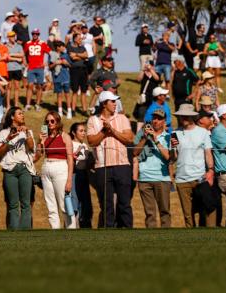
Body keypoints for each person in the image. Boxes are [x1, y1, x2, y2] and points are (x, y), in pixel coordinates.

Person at [86, 91, 134, 228]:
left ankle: (127, 230)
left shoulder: (123, 118)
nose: (115, 104)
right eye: (112, 101)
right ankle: (108, 233)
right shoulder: (92, 120)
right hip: (102, 167)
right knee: (106, 204)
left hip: (122, 165)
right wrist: (103, 132)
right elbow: (91, 141)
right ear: (103, 104)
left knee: (125, 203)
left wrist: (112, 130)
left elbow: (129, 139)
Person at [171, 104, 216, 228]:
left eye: (185, 116)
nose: (182, 118)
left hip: (200, 178)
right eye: (180, 116)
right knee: (188, 216)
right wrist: (172, 147)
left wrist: (211, 171)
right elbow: (173, 158)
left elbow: (208, 153)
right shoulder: (175, 133)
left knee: (209, 209)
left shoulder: (203, 132)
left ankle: (212, 237)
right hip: (182, 179)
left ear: (192, 117)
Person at [0, 107, 36, 230]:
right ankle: (14, 232)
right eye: (19, 113)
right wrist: (9, 139)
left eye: (22, 113)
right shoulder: (3, 133)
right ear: (12, 117)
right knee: (13, 204)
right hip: (10, 170)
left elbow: (31, 147)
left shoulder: (28, 131)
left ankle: (25, 232)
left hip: (24, 169)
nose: (22, 115)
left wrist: (27, 132)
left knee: (26, 204)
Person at [133, 109, 174, 228]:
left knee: (165, 212)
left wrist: (155, 140)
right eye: (154, 118)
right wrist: (145, 138)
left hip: (162, 178)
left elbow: (168, 157)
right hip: (144, 178)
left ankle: (167, 239)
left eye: (159, 118)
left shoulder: (168, 137)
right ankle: (152, 239)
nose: (155, 121)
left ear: (164, 121)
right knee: (150, 214)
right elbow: (135, 152)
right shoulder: (142, 134)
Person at [36, 110, 75, 229]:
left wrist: (69, 179)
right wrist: (40, 142)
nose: (49, 123)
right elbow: (38, 155)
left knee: (64, 204)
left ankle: (72, 230)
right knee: (51, 205)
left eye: (52, 121)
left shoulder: (65, 136)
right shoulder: (45, 135)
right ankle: (55, 232)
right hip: (47, 166)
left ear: (58, 122)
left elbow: (70, 158)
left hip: (61, 167)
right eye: (47, 121)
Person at [70, 122, 93, 228]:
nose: (84, 133)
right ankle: (72, 224)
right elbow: (69, 160)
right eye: (81, 131)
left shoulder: (85, 145)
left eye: (84, 131)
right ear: (74, 133)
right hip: (74, 175)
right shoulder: (70, 144)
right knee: (75, 199)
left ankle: (82, 224)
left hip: (84, 175)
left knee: (84, 201)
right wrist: (75, 154)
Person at [23, 28, 50, 112]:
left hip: (40, 68)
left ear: (39, 34)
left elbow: (50, 53)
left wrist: (47, 63)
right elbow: (23, 54)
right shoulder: (28, 43)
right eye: (34, 33)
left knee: (39, 86)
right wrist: (25, 62)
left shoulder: (42, 43)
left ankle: (37, 104)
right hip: (31, 67)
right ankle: (28, 104)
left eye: (37, 34)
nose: (35, 35)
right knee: (30, 86)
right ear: (32, 34)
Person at [5, 31, 24, 108]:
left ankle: (16, 104)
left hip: (17, 68)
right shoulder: (5, 46)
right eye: (11, 36)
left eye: (14, 36)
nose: (13, 37)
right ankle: (8, 105)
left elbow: (22, 55)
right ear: (8, 38)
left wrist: (12, 55)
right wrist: (17, 59)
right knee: (8, 87)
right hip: (8, 68)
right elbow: (6, 57)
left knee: (16, 87)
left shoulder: (19, 46)